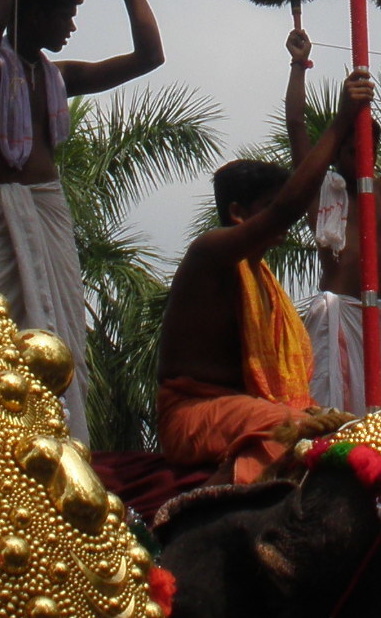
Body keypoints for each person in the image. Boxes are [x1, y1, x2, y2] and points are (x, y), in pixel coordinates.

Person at [0, 0, 163, 441]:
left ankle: (59, 441)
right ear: (34, 14)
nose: (71, 27)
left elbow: (149, 57)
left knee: (60, 337)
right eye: (63, 16)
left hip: (47, 210)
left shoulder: (60, 76)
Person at [155, 75, 362, 483]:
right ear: (238, 213)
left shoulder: (261, 275)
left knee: (344, 430)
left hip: (246, 406)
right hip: (192, 415)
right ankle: (206, 513)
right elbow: (289, 208)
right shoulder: (210, 252)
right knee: (288, 429)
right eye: (266, 208)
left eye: (274, 206)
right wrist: (340, 125)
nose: (280, 220)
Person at [287, 28, 381, 416]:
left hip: (369, 315)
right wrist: (298, 65)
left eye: (371, 146)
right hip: (335, 312)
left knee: (370, 415)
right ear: (337, 150)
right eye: (354, 146)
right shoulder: (322, 192)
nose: (364, 153)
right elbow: (296, 129)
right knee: (332, 414)